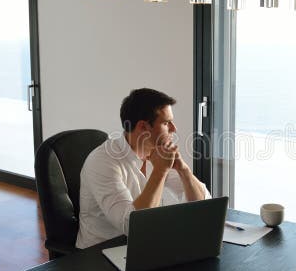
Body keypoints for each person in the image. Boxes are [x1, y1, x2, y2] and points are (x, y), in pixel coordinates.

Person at [75, 88, 210, 249]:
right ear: (143, 127)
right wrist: (160, 171)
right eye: (166, 123)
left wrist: (183, 170)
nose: (174, 129)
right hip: (99, 255)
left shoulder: (159, 153)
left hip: (144, 246)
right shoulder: (102, 162)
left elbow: (204, 206)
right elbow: (131, 226)